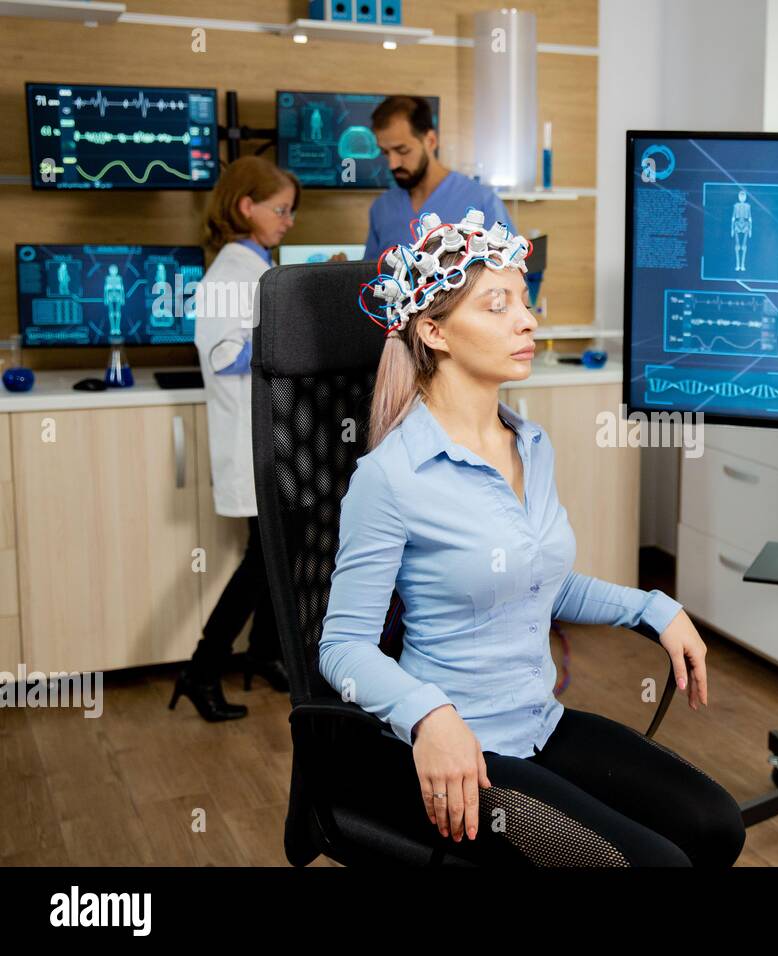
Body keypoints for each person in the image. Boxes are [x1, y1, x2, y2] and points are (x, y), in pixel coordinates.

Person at [320, 208, 747, 866]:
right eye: (498, 306)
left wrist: (653, 607)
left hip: (541, 724)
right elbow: (343, 647)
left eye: (525, 301)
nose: (528, 320)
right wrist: (428, 715)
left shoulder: (531, 444)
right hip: (466, 755)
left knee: (716, 826)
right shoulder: (392, 477)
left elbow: (541, 581)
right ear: (433, 331)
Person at [170, 156, 299, 722]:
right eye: (281, 209)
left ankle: (266, 654)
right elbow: (225, 357)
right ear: (246, 206)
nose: (289, 221)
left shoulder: (253, 267)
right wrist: (286, 331)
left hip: (270, 437)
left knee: (281, 552)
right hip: (250, 442)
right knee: (263, 558)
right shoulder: (229, 273)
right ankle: (201, 671)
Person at [363, 95, 515, 261]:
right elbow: (370, 277)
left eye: (402, 150)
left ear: (430, 141)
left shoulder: (482, 202)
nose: (393, 164)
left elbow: (509, 274)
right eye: (385, 152)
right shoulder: (382, 209)